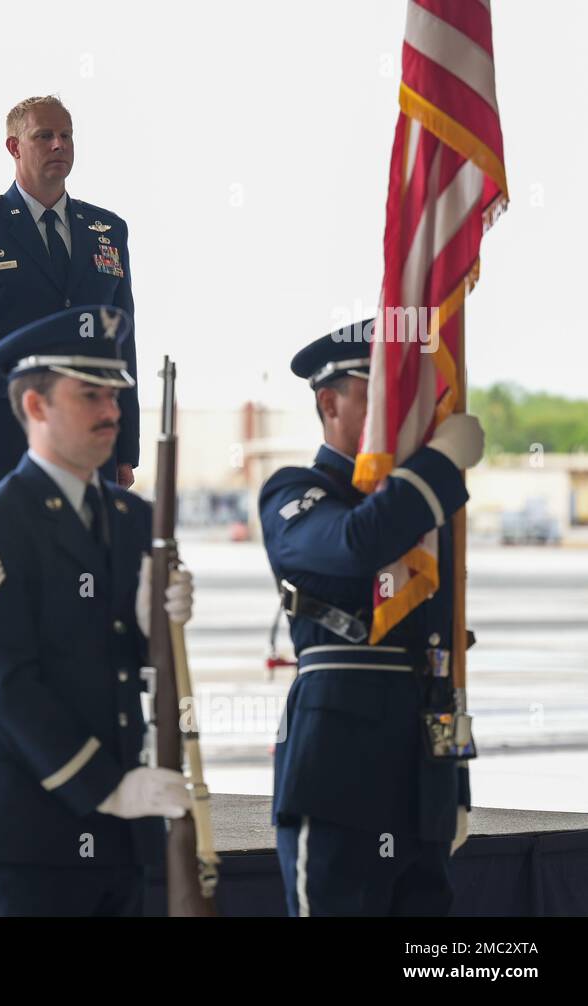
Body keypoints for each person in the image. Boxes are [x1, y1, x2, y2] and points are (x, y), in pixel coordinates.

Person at [0, 304, 193, 916]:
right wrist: (106, 787)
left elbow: (129, 662)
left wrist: (155, 629)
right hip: (24, 830)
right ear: (35, 406)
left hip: (119, 834)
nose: (111, 412)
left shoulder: (135, 520)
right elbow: (5, 685)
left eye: (114, 396)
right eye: (90, 396)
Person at [259, 320, 483, 916]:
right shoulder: (295, 491)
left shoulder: (424, 509)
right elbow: (357, 542)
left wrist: (453, 778)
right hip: (338, 779)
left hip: (423, 780)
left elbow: (442, 655)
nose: (401, 412)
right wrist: (439, 466)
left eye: (408, 396)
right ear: (329, 401)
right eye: (381, 394)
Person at [0, 95, 138, 495]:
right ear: (14, 147)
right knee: (8, 554)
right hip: (3, 436)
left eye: (66, 136)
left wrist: (126, 448)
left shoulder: (107, 230)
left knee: (85, 556)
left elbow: (121, 346)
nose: (59, 145)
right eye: (44, 136)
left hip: (89, 439)